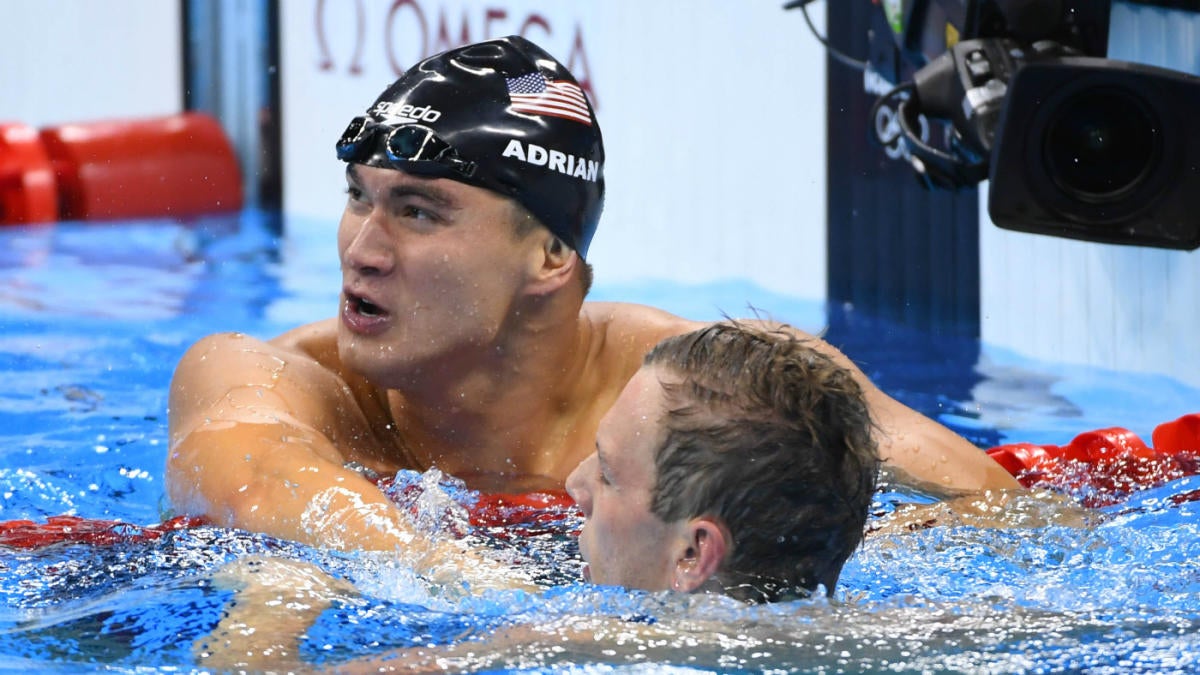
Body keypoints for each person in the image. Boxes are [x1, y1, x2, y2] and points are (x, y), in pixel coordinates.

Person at [166, 36, 1017, 570]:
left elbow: (1001, 507)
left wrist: (820, 554)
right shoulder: (260, 373)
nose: (361, 248)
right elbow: (253, 485)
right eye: (360, 196)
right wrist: (473, 582)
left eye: (419, 211)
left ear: (550, 254)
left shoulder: (702, 389)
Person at [196, 321, 879, 670]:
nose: (574, 485)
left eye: (608, 473)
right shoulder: (869, 633)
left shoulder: (571, 642)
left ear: (695, 552)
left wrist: (273, 606)